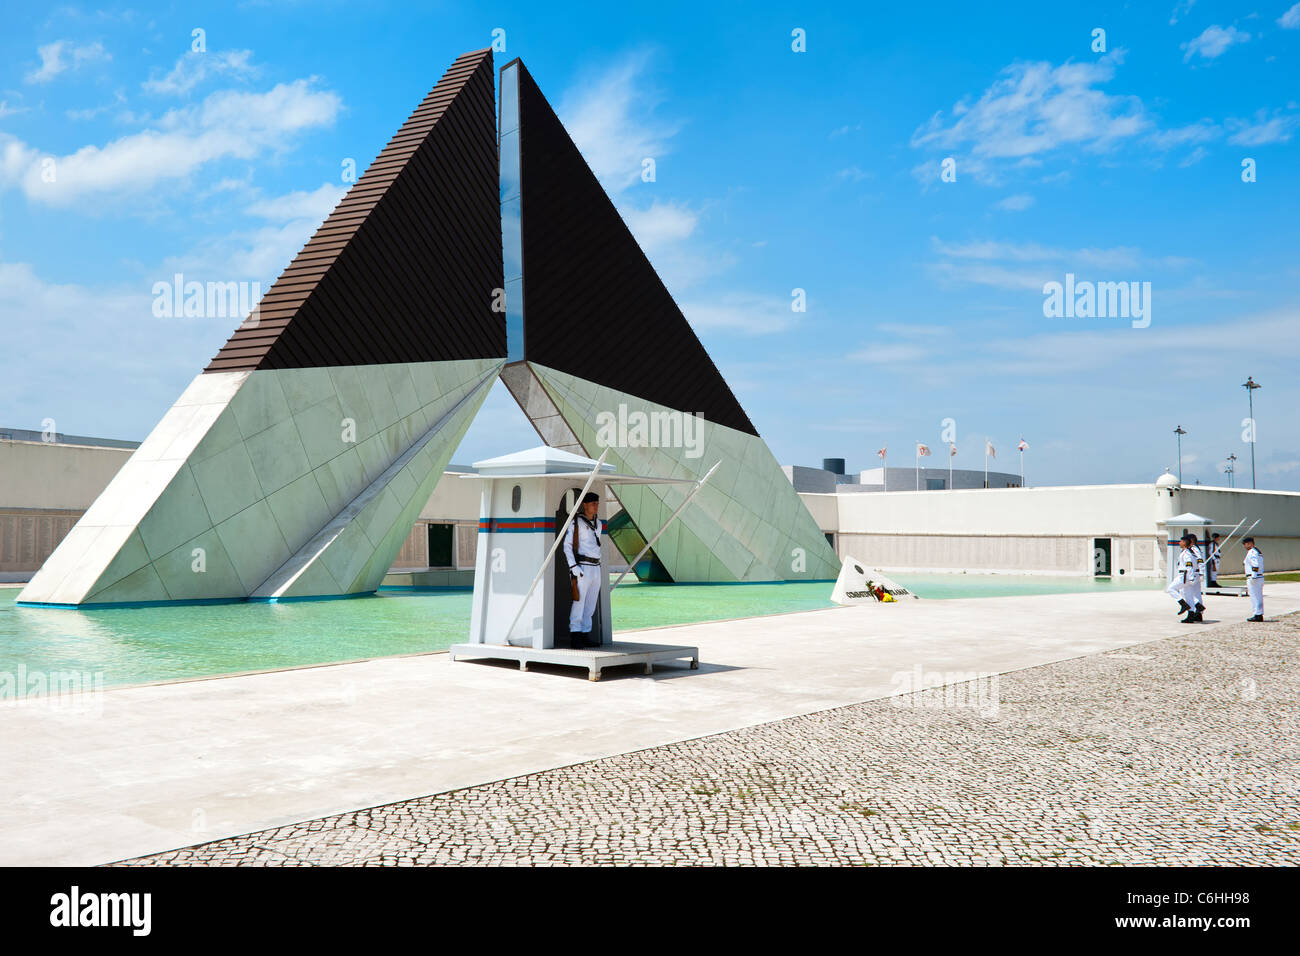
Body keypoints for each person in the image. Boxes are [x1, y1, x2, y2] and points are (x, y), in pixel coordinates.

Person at [563, 491, 603, 647]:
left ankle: (585, 633)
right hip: (582, 566)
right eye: (593, 503)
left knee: (591, 604)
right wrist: (573, 566)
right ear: (585, 505)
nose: (596, 506)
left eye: (597, 503)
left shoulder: (598, 523)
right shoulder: (576, 522)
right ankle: (575, 635)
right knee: (579, 602)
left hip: (595, 566)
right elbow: (566, 545)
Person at [1167, 533, 1202, 623]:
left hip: (1184, 576)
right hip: (1187, 577)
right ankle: (1190, 615)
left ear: (1184, 542)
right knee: (1188, 596)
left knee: (1171, 589)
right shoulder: (1189, 552)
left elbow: (1189, 565)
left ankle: (1183, 604)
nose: (1179, 542)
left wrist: (1190, 578)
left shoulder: (1186, 553)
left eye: (1181, 541)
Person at [1243, 536, 1264, 623]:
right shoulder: (1257, 551)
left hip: (1254, 577)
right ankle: (1258, 614)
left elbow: (1255, 565)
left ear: (1250, 543)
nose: (1245, 546)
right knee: (1258, 596)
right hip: (1258, 576)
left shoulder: (1252, 552)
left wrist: (1253, 576)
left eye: (1245, 544)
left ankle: (1257, 614)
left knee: (1255, 596)